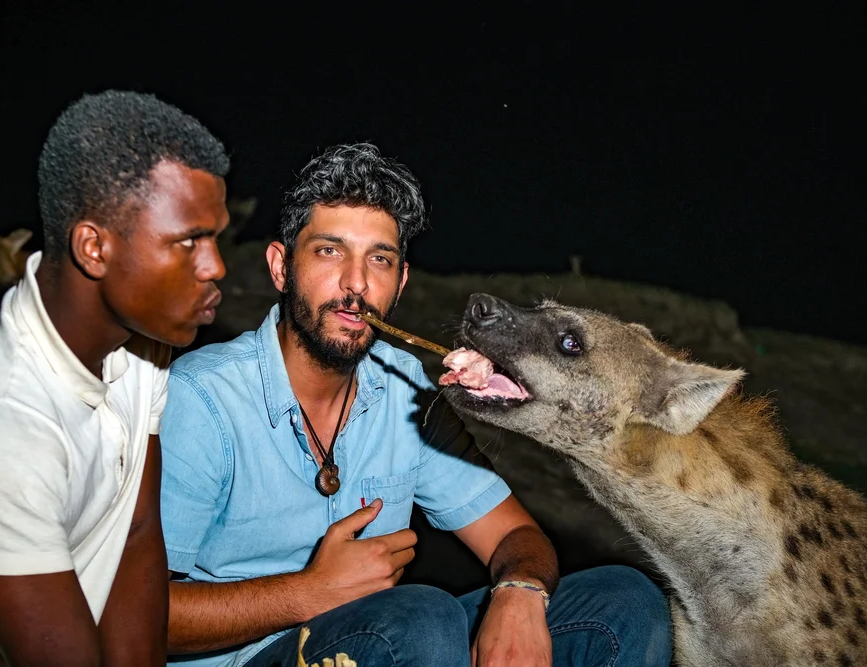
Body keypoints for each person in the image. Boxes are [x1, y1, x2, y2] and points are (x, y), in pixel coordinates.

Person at [158, 143, 673, 667]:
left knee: (623, 604)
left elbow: (515, 535)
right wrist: (307, 593)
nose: (356, 284)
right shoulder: (202, 399)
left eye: (379, 259)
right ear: (281, 268)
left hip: (383, 639)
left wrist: (519, 593)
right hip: (248, 660)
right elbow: (128, 613)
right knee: (420, 621)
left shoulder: (405, 390)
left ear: (400, 282)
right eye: (329, 251)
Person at [0, 90, 231, 667]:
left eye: (215, 238)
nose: (215, 267)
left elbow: (133, 536)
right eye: (188, 241)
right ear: (94, 247)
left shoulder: (140, 349)